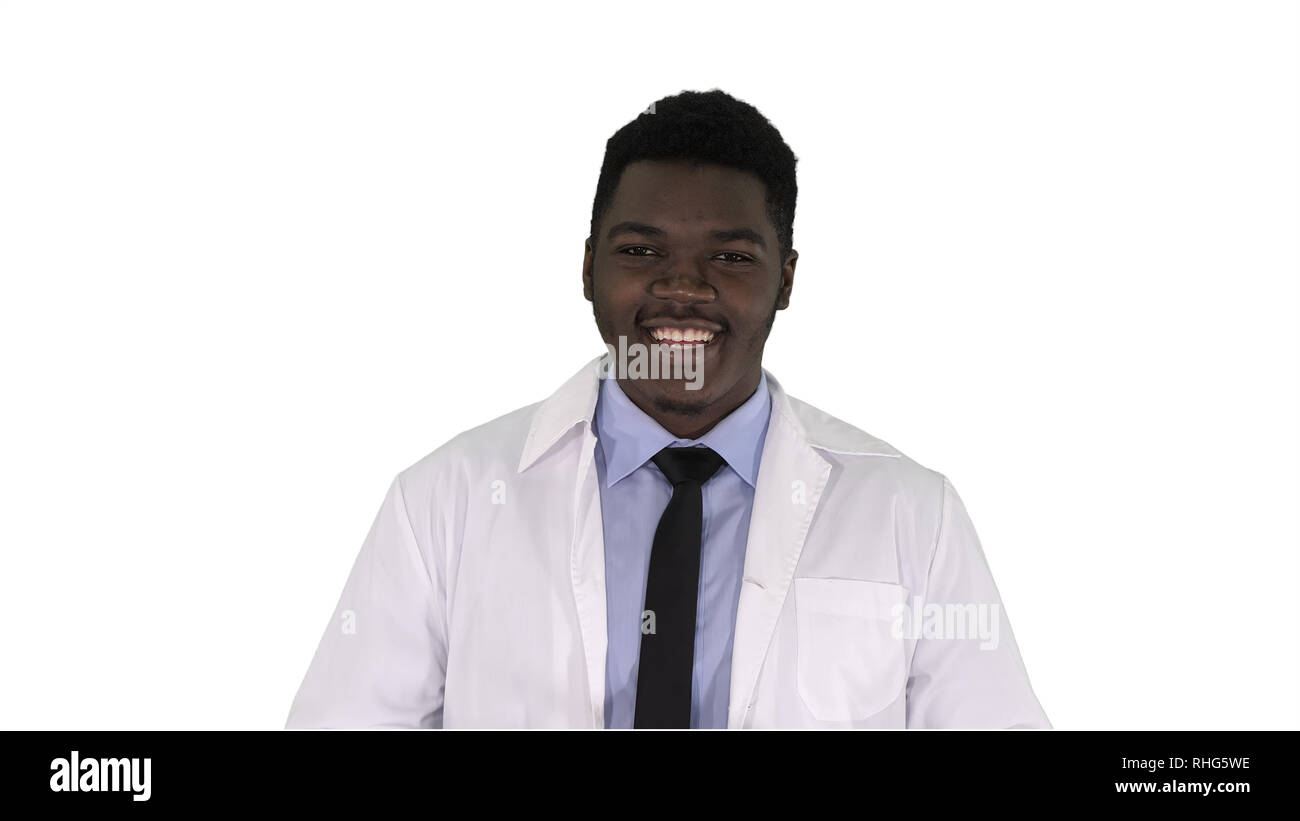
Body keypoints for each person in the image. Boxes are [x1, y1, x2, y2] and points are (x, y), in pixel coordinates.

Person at [285, 89, 1051, 729]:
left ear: (786, 279)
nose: (683, 288)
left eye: (731, 256)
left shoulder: (909, 514)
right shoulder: (445, 500)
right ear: (587, 267)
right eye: (641, 252)